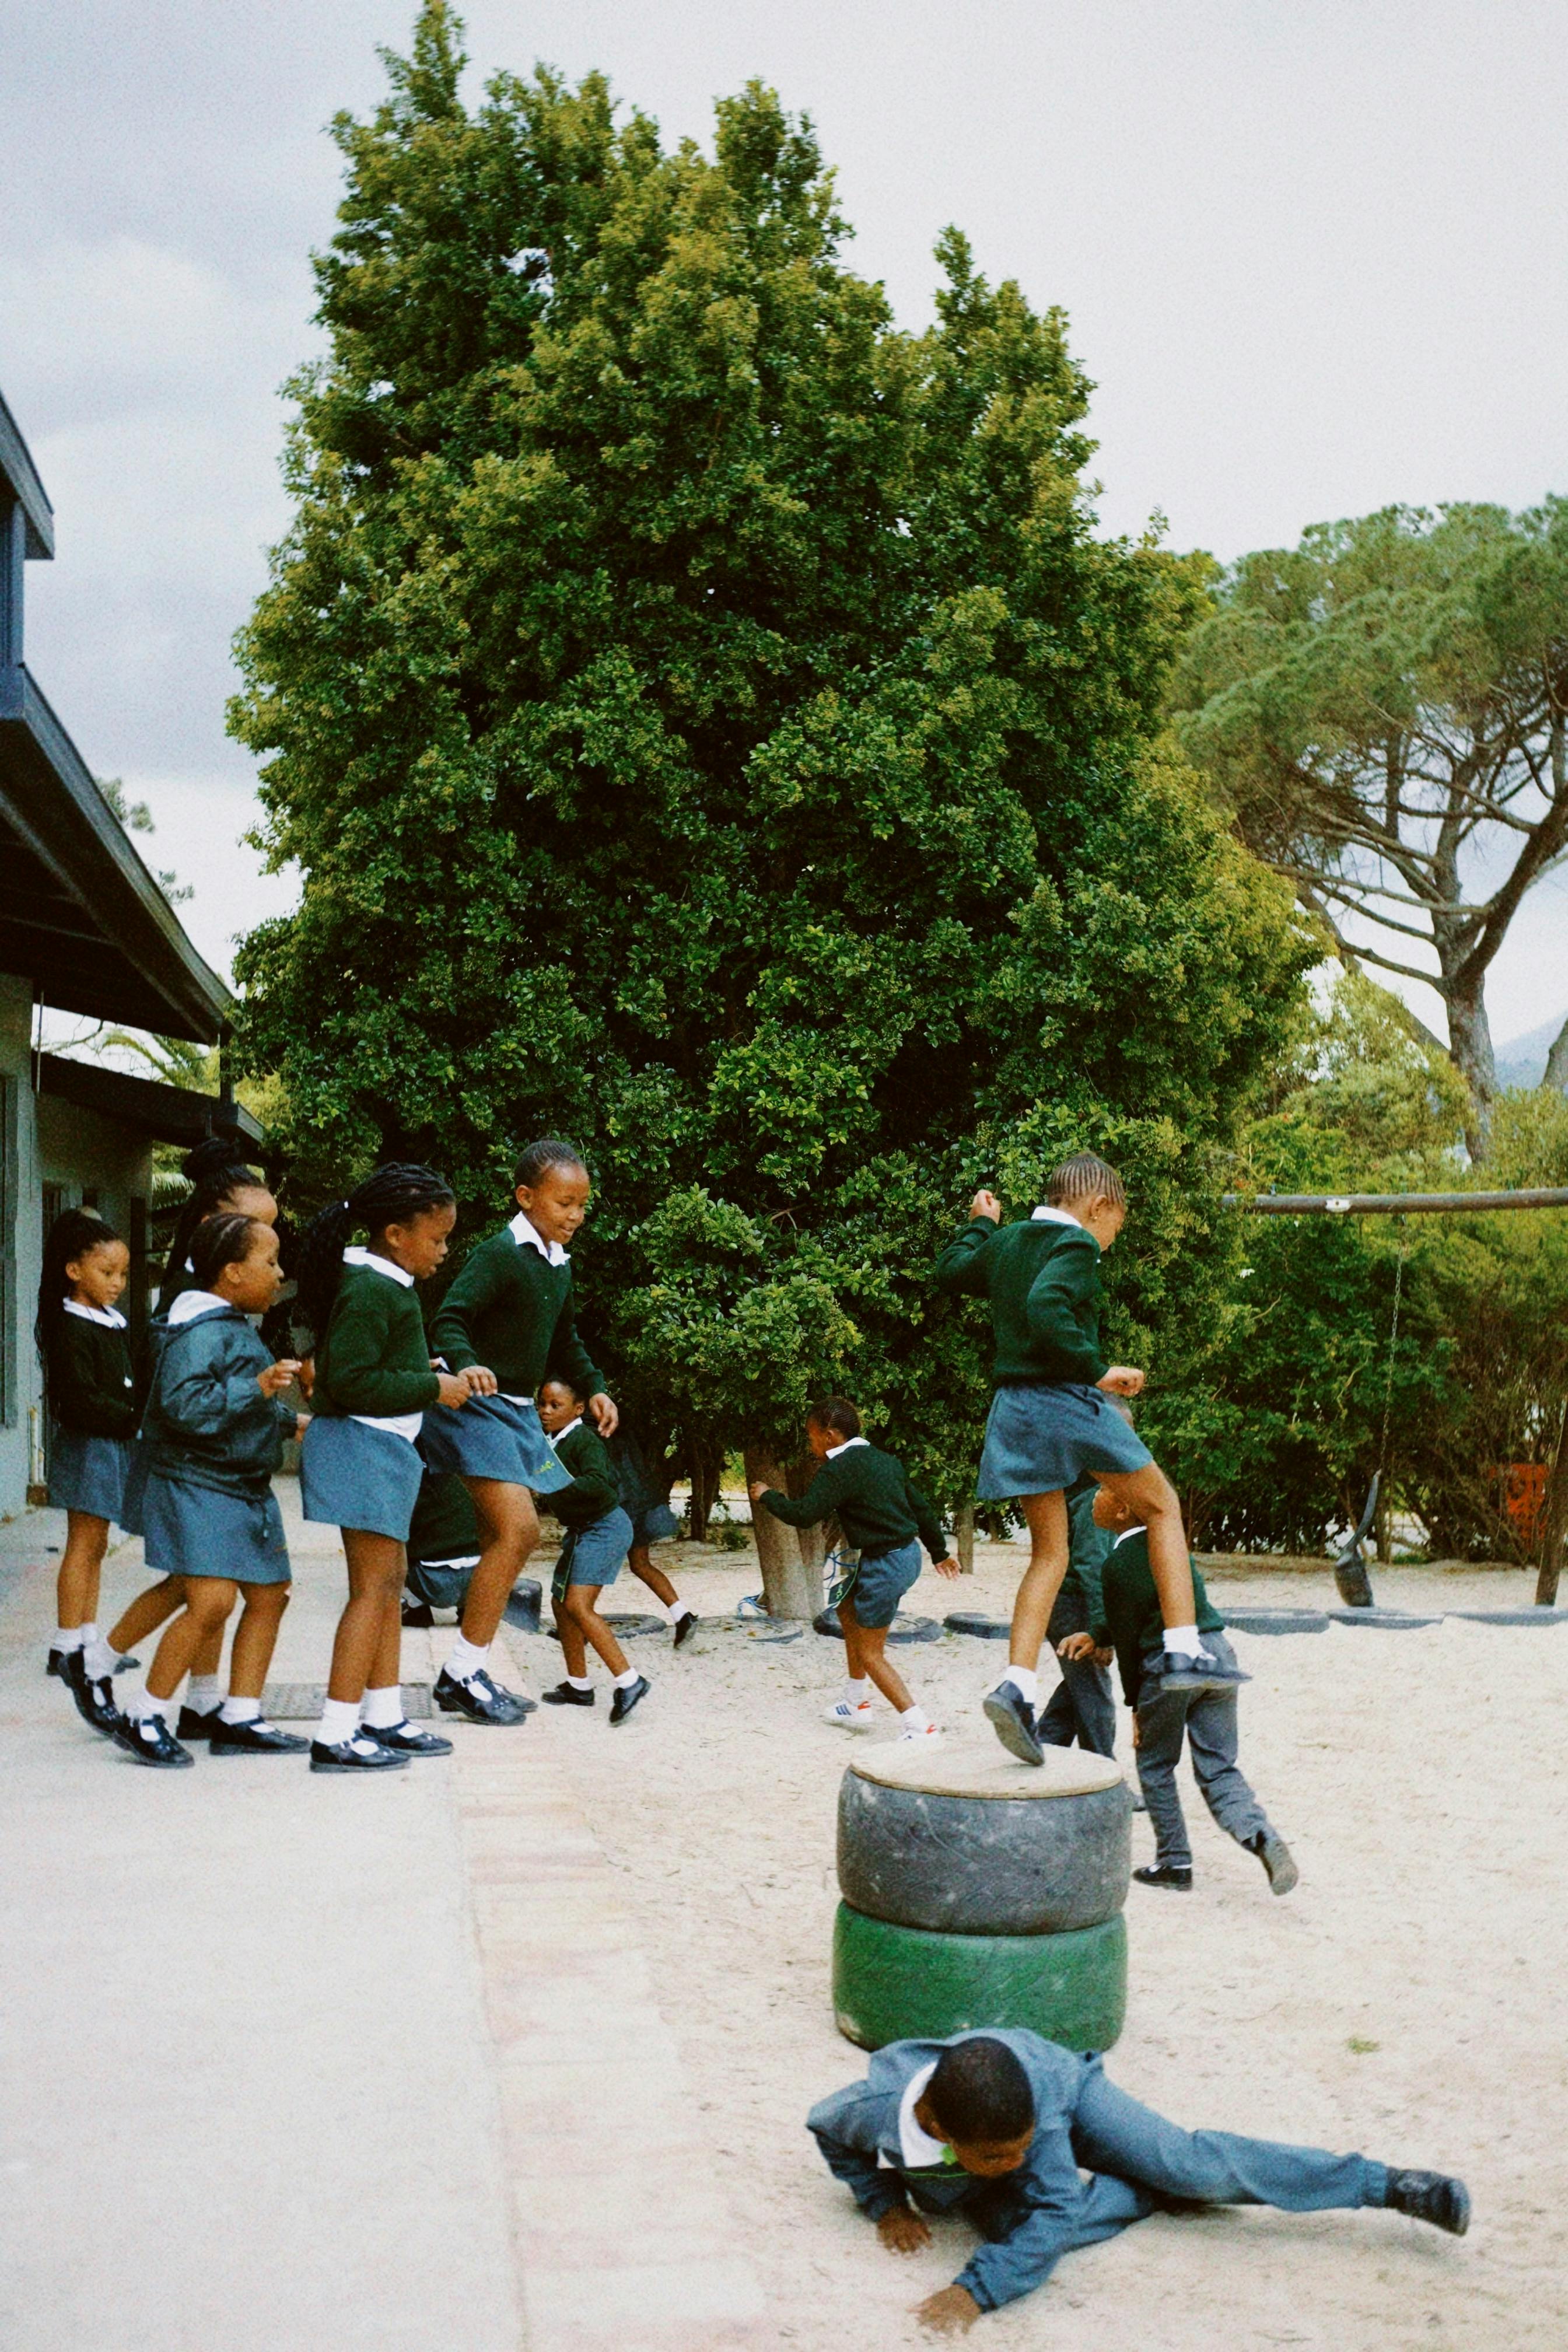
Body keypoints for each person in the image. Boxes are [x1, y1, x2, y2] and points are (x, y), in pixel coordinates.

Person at [808, 2028, 1469, 2335]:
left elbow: (1049, 2188)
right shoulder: (872, 2113)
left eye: (1020, 2151)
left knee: (1188, 2166)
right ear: (941, 2131)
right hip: (1005, 2124)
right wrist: (884, 2202)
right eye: (998, 2157)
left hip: (1064, 2089)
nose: (1016, 2160)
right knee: (1017, 2225)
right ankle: (1143, 2193)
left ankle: (1385, 2185)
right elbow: (826, 2131)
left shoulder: (1024, 2121)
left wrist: (975, 2290)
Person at [933, 1152, 1238, 1769]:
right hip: (1068, 1402)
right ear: (1098, 1207)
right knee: (1162, 1506)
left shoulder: (1010, 1241)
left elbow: (951, 1271)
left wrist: (982, 1223)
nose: (1110, 1241)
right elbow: (1049, 1309)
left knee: (1050, 1552)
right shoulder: (1075, 1247)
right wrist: (1097, 1370)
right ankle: (1183, 1648)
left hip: (1013, 1411)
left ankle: (1016, 1686)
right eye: (1115, 1228)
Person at [422, 1138, 617, 1725]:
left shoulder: (558, 1264)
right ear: (526, 1198)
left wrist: (597, 1386)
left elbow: (565, 1341)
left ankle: (468, 1671)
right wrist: (465, 1362)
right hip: (478, 1408)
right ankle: (460, 1673)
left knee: (497, 1541)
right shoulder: (500, 1255)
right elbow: (449, 1318)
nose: (576, 1216)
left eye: (583, 1204)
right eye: (564, 1203)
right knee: (521, 1531)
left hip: (515, 1417)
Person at [112, 1214, 308, 1768]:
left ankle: (238, 1713)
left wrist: (292, 1423)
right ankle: (145, 1713)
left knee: (270, 1593)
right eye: (269, 1263)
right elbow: (183, 1407)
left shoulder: (233, 1325)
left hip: (241, 1485)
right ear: (230, 1273)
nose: (279, 1273)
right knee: (213, 1602)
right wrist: (258, 1386)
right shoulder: (198, 1332)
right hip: (201, 1482)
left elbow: (239, 1409)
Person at [296, 1163, 474, 1772]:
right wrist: (430, 1386)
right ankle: (336, 1732)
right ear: (396, 1234)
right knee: (372, 1592)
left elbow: (366, 1365)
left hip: (382, 1450)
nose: (445, 1251)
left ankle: (383, 1716)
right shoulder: (372, 1288)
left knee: (388, 1583)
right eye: (438, 1238)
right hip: (362, 1448)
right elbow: (347, 1381)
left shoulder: (386, 1284)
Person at [1065, 1488, 1297, 1894]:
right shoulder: (1170, 1544)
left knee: (1155, 1765)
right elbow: (1155, 1604)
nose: (1094, 1497)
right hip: (1218, 1654)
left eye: (1102, 1493)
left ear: (1121, 1511)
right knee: (1219, 1767)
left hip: (1168, 1665)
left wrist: (1135, 1705)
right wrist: (1096, 1634)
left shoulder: (1117, 1563)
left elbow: (1130, 1635)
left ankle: (1175, 1862)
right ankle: (1263, 1837)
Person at [748, 1398, 961, 1744]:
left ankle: (919, 1725)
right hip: (904, 1556)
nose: (811, 1444)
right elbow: (920, 1507)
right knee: (847, 1610)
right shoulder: (885, 1461)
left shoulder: (840, 1468)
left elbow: (804, 1515)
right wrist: (939, 1552)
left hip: (886, 1565)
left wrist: (768, 1496)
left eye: (812, 1436)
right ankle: (855, 1702)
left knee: (870, 1652)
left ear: (830, 1436)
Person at [37, 1208, 139, 1737]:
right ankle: (67, 1644)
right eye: (107, 1273)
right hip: (90, 1445)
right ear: (75, 1270)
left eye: (122, 1274)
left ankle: (88, 1636)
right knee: (84, 1541)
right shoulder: (71, 1323)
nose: (117, 1284)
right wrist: (131, 1419)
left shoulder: (104, 1319)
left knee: (96, 1544)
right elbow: (77, 1401)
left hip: (110, 1443)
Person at [537, 1376, 649, 1722]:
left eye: (555, 1406)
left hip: (605, 1527)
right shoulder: (551, 1443)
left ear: (579, 1409)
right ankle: (579, 1685)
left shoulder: (584, 1440)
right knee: (560, 1605)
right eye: (542, 1404)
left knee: (578, 1606)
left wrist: (551, 1485)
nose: (545, 1411)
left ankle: (630, 1681)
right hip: (583, 1530)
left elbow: (597, 1483)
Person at [1037, 1477, 1117, 1760]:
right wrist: (1102, 1630)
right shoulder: (1098, 1497)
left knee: (1080, 1687)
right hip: (1074, 1605)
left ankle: (1042, 1749)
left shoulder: (1082, 1491)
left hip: (1062, 1602)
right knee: (1095, 1694)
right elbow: (1093, 1564)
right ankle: (1105, 1779)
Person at [611, 1423, 697, 1646]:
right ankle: (682, 1615)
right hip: (639, 1501)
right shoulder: (621, 1426)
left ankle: (576, 1623)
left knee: (591, 1564)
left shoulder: (592, 1430)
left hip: (623, 1506)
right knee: (640, 1564)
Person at [401, 1466, 484, 1626]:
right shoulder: (470, 1477)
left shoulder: (414, 1483)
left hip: (433, 1584)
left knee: (393, 1546)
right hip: (479, 1580)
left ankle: (417, 1609)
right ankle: (468, 1611)